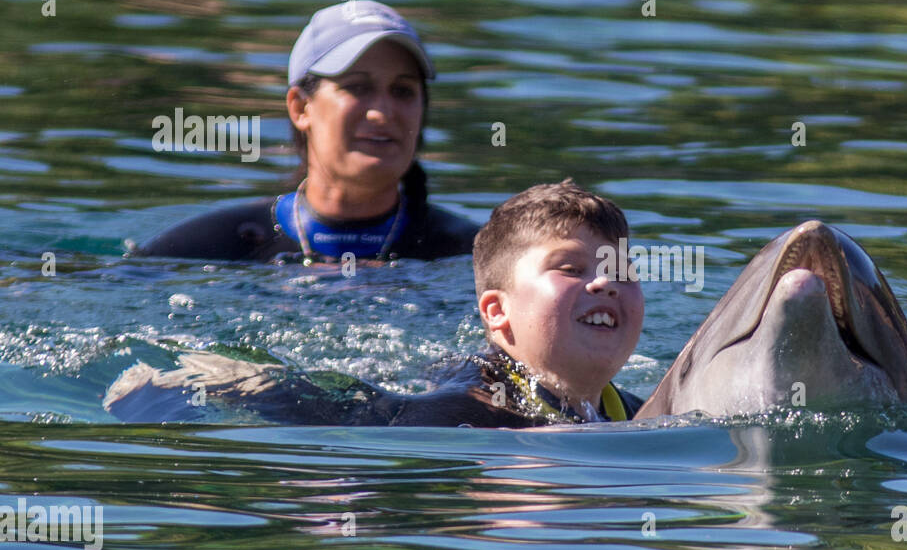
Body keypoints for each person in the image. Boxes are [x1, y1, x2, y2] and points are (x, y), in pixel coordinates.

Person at [105, 180, 647, 427]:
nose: (604, 285)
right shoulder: (467, 414)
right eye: (570, 269)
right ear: (497, 313)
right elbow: (349, 411)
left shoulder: (636, 410)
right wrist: (213, 379)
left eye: (619, 270)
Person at [128, 0, 477, 262]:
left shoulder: (472, 255)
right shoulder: (206, 248)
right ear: (300, 107)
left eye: (402, 91)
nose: (382, 112)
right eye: (357, 87)